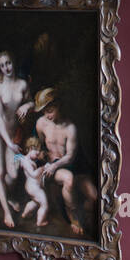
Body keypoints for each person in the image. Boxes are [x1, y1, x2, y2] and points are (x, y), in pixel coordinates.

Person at [33, 88, 97, 236]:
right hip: (55, 168)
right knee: (68, 179)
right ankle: (73, 216)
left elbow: (70, 157)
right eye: (44, 112)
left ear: (59, 106)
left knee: (94, 197)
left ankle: (83, 214)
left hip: (74, 166)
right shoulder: (40, 124)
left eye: (50, 110)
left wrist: (55, 164)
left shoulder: (70, 128)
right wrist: (43, 156)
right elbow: (40, 146)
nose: (47, 115)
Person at [0, 51, 34, 228]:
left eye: (9, 63)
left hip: (11, 132)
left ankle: (9, 196)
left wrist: (27, 105)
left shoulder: (22, 84)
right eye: (3, 65)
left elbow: (32, 101)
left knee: (12, 174)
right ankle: (7, 211)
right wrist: (10, 143)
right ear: (0, 68)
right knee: (0, 171)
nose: (6, 68)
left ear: (14, 62)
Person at [15, 137, 49, 229]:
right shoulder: (26, 161)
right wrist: (42, 168)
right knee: (44, 204)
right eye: (36, 153)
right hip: (34, 188)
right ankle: (40, 222)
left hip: (32, 187)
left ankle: (24, 214)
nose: (37, 156)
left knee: (35, 201)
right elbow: (33, 174)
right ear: (30, 149)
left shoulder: (27, 160)